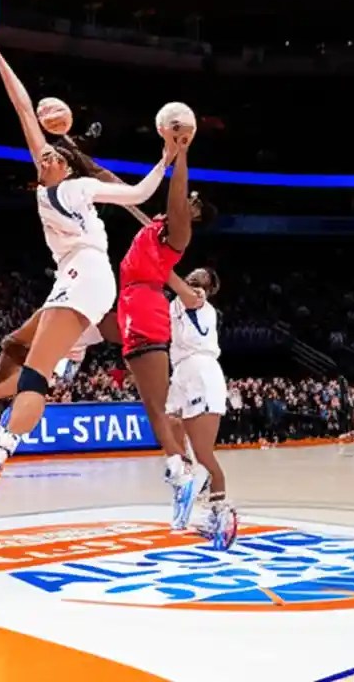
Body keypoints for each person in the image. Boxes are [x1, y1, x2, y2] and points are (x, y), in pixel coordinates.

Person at [0, 39, 180, 494]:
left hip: (88, 277)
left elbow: (138, 195)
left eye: (57, 156)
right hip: (70, 279)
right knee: (13, 346)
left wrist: (166, 159)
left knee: (35, 373)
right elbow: (24, 110)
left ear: (67, 169)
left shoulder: (79, 188)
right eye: (46, 155)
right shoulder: (46, 179)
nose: (49, 156)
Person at [117, 147, 212, 530]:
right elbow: (113, 184)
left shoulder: (180, 232)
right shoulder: (157, 228)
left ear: (196, 217)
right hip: (131, 302)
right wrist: (77, 157)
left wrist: (180, 154)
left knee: (155, 406)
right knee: (162, 406)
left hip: (142, 304)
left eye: (194, 203)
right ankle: (186, 466)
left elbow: (177, 192)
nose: (188, 200)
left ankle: (180, 473)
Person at [164, 267, 237, 548]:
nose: (194, 275)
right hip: (181, 370)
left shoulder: (196, 297)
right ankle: (189, 477)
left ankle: (221, 514)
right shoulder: (177, 304)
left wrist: (159, 257)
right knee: (168, 421)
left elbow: (169, 277)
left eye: (201, 275)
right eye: (193, 271)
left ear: (207, 286)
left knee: (205, 453)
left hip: (202, 371)